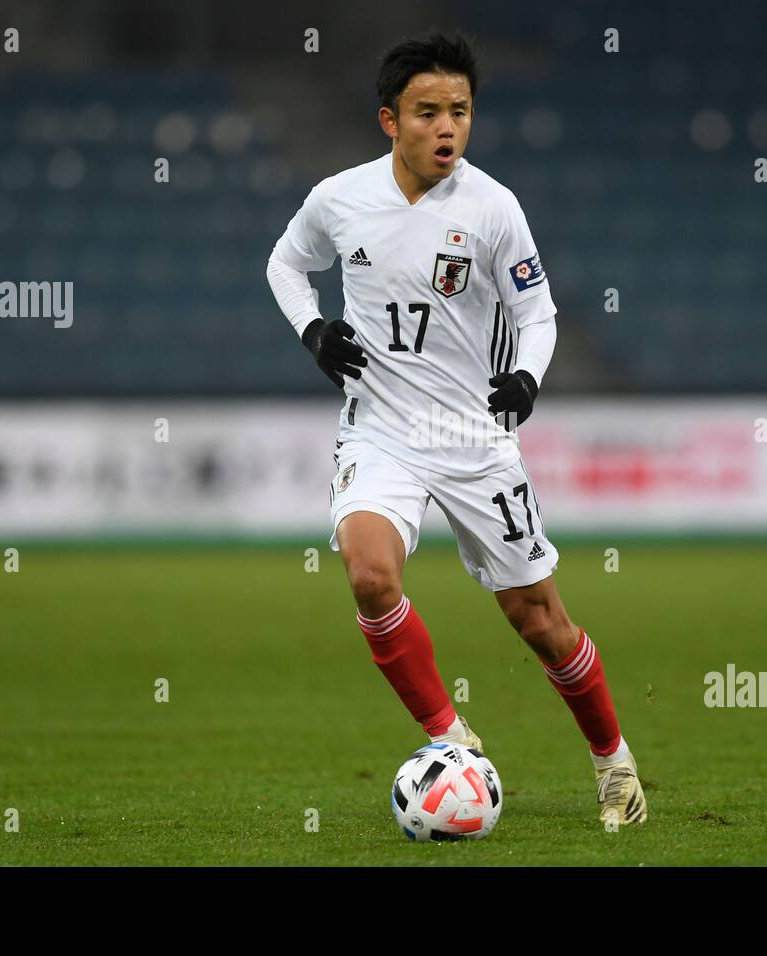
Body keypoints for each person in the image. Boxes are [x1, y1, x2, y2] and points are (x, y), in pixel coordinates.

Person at [265, 33, 645, 825]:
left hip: (474, 437)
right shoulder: (339, 199)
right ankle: (450, 735)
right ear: (389, 120)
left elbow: (537, 312)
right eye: (428, 112)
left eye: (461, 111)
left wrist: (527, 377)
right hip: (380, 430)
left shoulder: (493, 207)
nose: (447, 128)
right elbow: (284, 264)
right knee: (371, 577)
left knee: (539, 620)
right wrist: (313, 330)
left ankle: (613, 761)